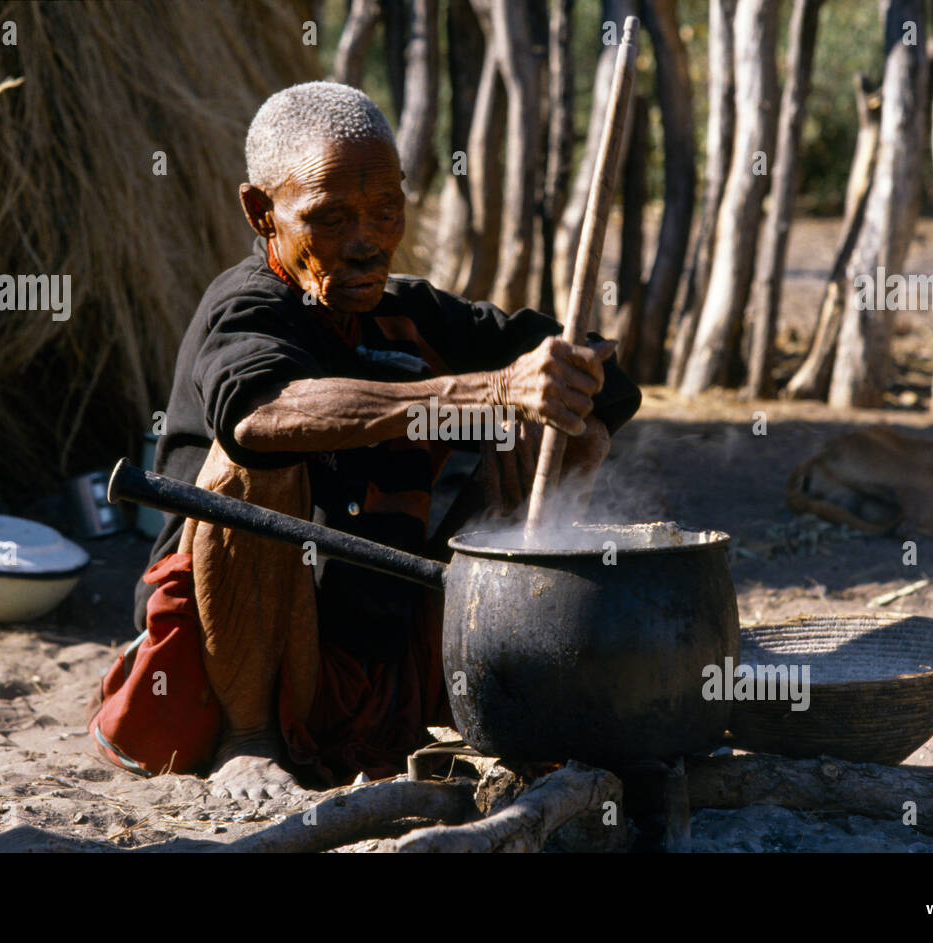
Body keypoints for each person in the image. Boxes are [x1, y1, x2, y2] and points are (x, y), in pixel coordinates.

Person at [126, 81, 641, 802]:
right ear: (261, 212)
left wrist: (571, 370)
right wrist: (489, 390)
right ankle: (250, 743)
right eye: (330, 219)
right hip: (252, 661)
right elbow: (259, 418)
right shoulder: (247, 306)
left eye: (386, 211)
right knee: (252, 464)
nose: (367, 243)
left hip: (395, 653)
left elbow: (611, 388)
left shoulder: (416, 313)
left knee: (568, 427)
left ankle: (504, 688)